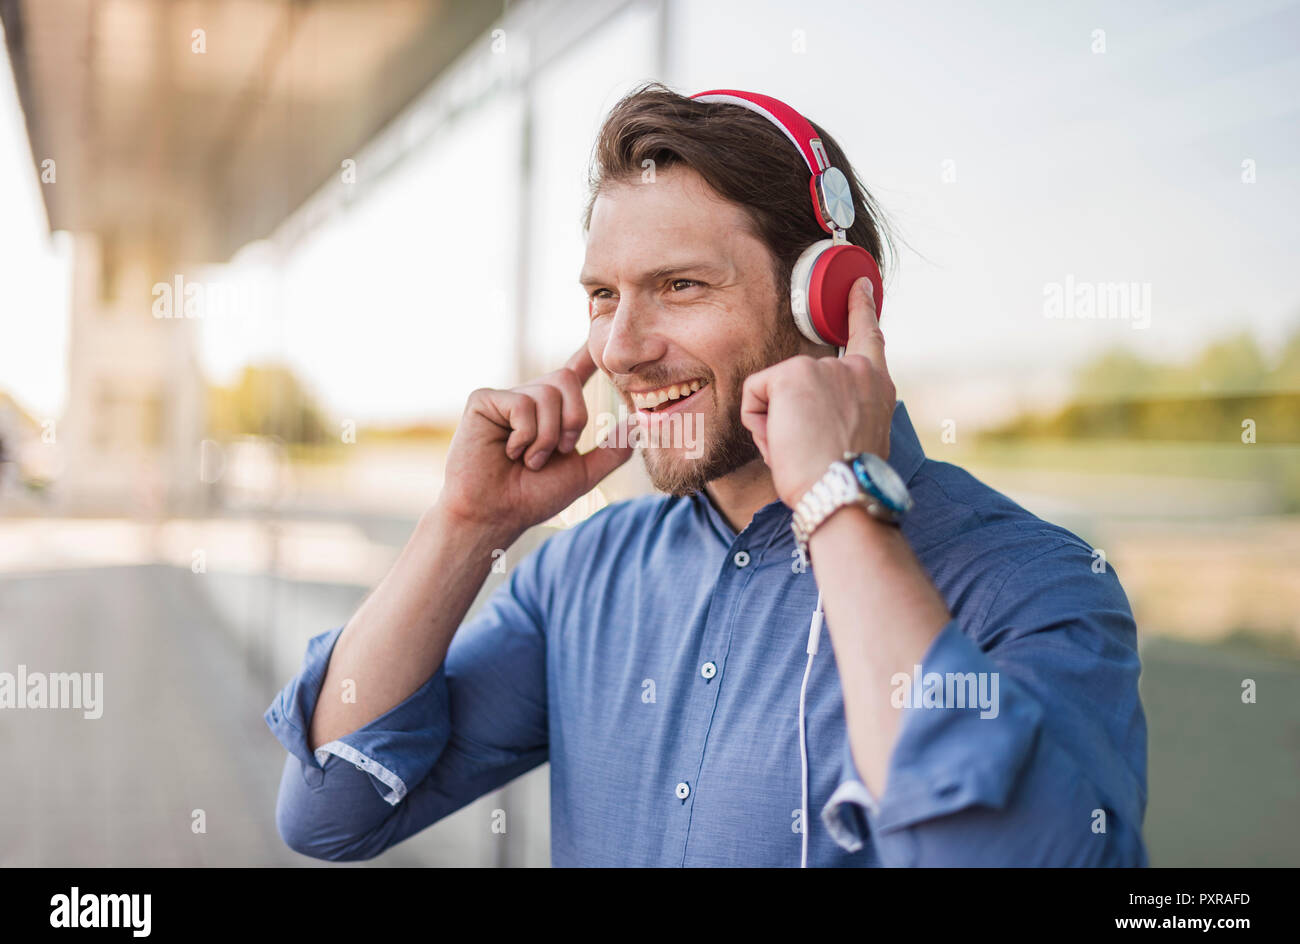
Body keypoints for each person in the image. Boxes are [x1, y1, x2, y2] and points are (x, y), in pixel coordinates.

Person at [264, 82, 1148, 866]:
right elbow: (329, 812)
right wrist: (465, 523)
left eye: (680, 286)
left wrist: (841, 503)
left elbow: (995, 848)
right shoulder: (583, 573)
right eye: (604, 294)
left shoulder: (1035, 584)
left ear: (830, 300)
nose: (621, 349)